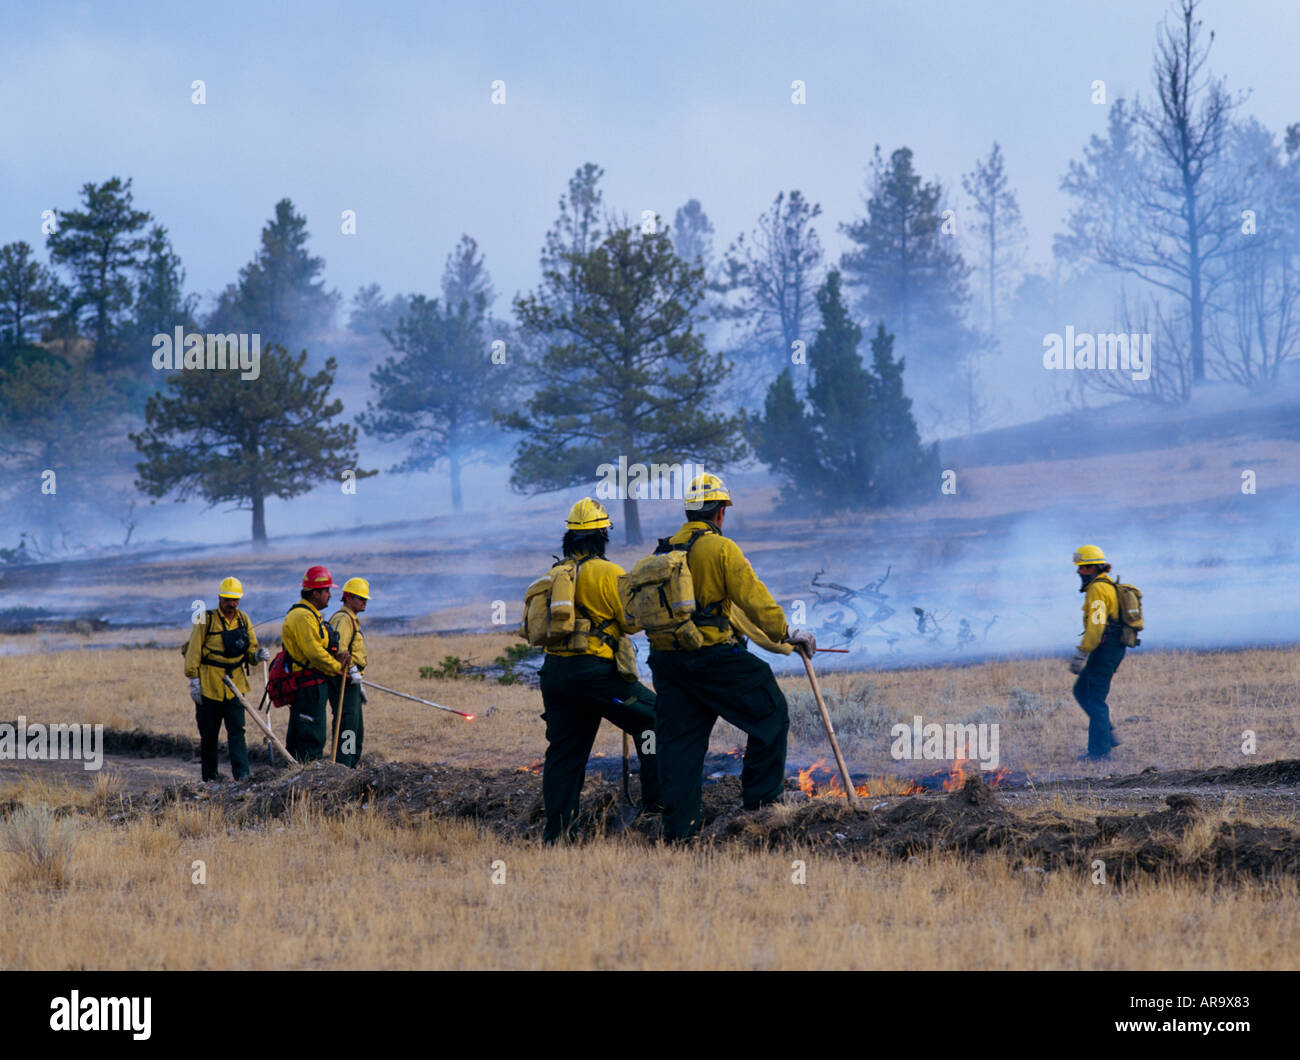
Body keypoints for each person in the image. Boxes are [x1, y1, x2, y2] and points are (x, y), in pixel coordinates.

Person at [646, 474, 815, 841]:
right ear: (720, 513)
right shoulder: (721, 549)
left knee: (679, 744)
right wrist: (787, 633)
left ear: (689, 511)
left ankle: (680, 829)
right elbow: (754, 598)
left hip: (667, 662)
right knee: (770, 710)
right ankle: (762, 804)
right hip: (712, 657)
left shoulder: (662, 552)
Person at [539, 498, 660, 843]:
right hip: (595, 674)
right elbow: (632, 622)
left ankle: (559, 834)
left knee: (564, 754)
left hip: (555, 674)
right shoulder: (609, 572)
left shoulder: (555, 574)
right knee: (654, 721)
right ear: (602, 535)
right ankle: (656, 808)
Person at [184, 577, 269, 781]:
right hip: (209, 686)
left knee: (237, 732)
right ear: (220, 598)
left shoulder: (243, 620)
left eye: (235, 600)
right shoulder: (205, 620)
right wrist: (194, 679)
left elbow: (251, 650)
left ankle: (242, 777)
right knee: (209, 735)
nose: (231, 604)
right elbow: (193, 651)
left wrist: (257, 656)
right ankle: (210, 778)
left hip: (236, 687)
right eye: (227, 600)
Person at [282, 565, 351, 763]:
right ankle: (308, 778)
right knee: (312, 734)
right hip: (309, 686)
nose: (330, 595)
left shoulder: (310, 615)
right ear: (315, 593)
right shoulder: (303, 616)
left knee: (305, 732)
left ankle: (298, 775)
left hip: (312, 683)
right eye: (327, 591)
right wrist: (337, 667)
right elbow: (314, 653)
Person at [1068, 545, 1124, 761]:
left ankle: (1100, 752)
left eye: (1083, 567)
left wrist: (1082, 653)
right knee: (1082, 690)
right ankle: (1106, 735)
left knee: (1094, 699)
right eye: (1079, 567)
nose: (1079, 572)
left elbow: (1096, 625)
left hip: (1106, 649)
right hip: (1107, 648)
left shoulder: (1098, 589)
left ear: (1094, 568)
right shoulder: (1104, 585)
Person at [328, 578, 370, 768]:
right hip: (343, 679)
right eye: (360, 598)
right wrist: (352, 669)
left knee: (355, 727)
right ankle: (343, 767)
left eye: (365, 599)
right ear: (348, 597)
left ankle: (351, 764)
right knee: (347, 726)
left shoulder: (351, 619)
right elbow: (339, 650)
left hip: (352, 680)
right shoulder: (343, 619)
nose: (364, 602)